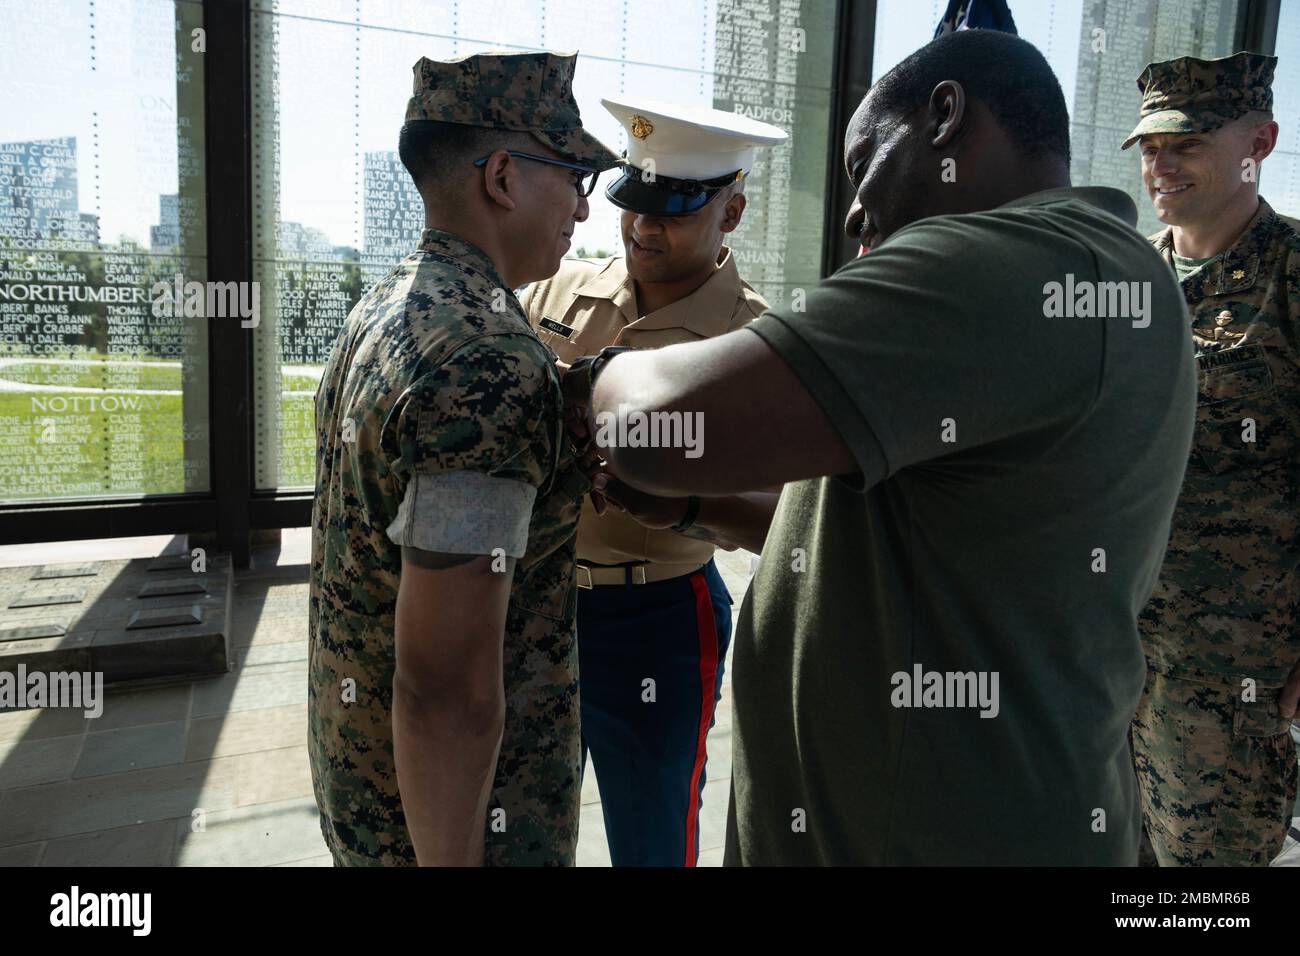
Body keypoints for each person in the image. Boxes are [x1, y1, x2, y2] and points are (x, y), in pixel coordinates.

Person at [567, 28, 1196, 864]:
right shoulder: (1088, 272)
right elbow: (898, 539)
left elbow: (652, 429)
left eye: (863, 165)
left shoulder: (1012, 263)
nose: (856, 211)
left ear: (944, 117)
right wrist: (698, 504)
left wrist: (589, 380)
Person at [308, 50, 619, 866]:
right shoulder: (487, 357)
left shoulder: (393, 302)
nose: (584, 211)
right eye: (575, 176)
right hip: (462, 828)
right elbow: (446, 690)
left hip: (369, 792)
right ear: (505, 178)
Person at [520, 97, 785, 866]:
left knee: (653, 831)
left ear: (731, 211)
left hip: (659, 622)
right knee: (523, 823)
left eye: (671, 211)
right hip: (540, 600)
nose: (641, 227)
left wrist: (685, 502)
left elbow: (788, 513)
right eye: (633, 204)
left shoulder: (754, 342)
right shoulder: (555, 293)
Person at [1123, 51, 1300, 867]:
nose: (1161, 164)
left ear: (1257, 141)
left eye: (1187, 142)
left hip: (1233, 679)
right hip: (1112, 662)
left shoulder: (1290, 275)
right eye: (1151, 147)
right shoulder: (1127, 279)